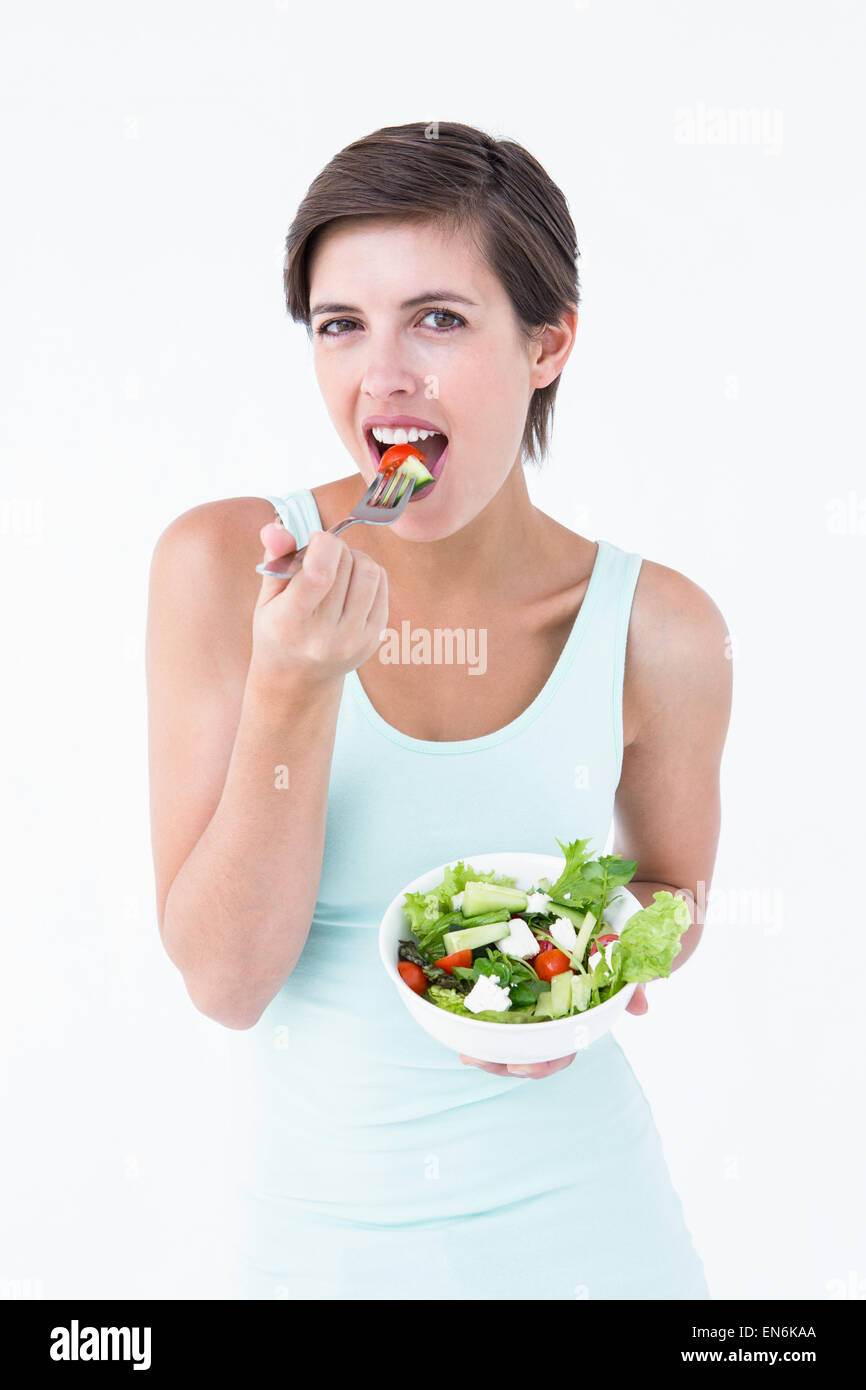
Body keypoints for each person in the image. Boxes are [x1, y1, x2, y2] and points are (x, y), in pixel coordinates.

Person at [145, 121, 732, 1299]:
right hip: (316, 1260)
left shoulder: (658, 626)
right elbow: (226, 982)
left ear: (546, 343)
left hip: (600, 1247)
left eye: (438, 319)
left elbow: (675, 894)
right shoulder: (222, 566)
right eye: (340, 325)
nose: (382, 376)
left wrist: (587, 968)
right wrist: (293, 684)